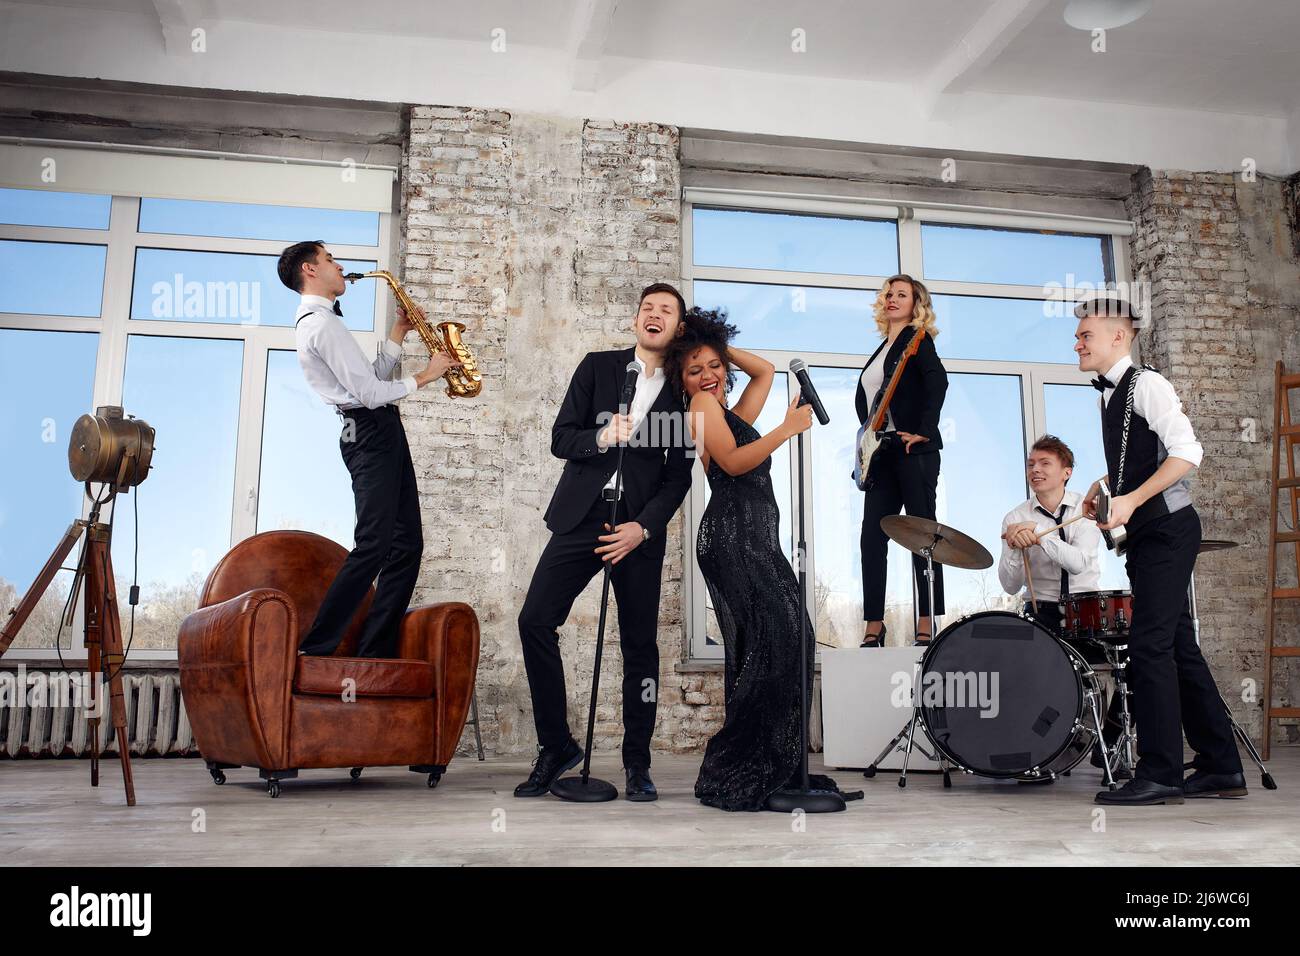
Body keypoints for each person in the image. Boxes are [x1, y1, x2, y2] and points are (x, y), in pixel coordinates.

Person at [669, 307, 853, 811]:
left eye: (713, 366)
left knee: (782, 644)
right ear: (682, 382)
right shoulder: (701, 410)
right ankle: (746, 766)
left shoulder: (727, 413)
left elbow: (766, 371)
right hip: (733, 540)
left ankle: (776, 765)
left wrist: (710, 343)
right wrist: (788, 428)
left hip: (753, 541)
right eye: (694, 370)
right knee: (781, 641)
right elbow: (731, 462)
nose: (708, 376)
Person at [514, 283, 694, 802]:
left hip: (636, 529)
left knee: (640, 647)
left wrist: (644, 528)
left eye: (665, 310)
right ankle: (557, 747)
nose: (652, 315)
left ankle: (638, 763)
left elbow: (678, 478)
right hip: (582, 515)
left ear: (677, 327)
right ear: (637, 319)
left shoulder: (683, 394)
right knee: (535, 620)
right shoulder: (598, 367)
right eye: (646, 308)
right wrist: (600, 437)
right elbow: (560, 437)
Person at [1075, 293, 1245, 805]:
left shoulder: (1147, 383)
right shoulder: (1110, 395)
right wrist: (1105, 486)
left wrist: (1129, 500)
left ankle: (1161, 772)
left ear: (1119, 337)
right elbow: (1141, 461)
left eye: (1086, 334)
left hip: (1170, 529)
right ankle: (1221, 765)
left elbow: (1187, 452)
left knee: (1149, 647)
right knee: (1177, 647)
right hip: (1151, 533)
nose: (1077, 341)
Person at [279, 240, 461, 658]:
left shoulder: (326, 323)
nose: (339, 265)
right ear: (310, 270)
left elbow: (369, 380)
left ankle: (374, 650)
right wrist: (427, 375)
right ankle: (316, 647)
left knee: (407, 545)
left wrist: (398, 333)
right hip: (368, 430)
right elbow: (369, 393)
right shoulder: (319, 325)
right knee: (374, 544)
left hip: (380, 427)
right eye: (329, 260)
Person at [998, 434, 1126, 781]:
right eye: (1031, 464)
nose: (1035, 470)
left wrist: (1041, 534)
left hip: (1085, 611)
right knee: (1032, 681)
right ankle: (1039, 757)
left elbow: (1079, 564)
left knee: (1124, 672)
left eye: (1044, 464)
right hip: (1040, 612)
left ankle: (1111, 749)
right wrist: (1014, 545)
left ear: (1066, 472)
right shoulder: (1015, 515)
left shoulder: (1084, 511)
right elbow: (1009, 585)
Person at [857, 275, 949, 648]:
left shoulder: (917, 340)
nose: (892, 299)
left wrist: (925, 429)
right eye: (889, 294)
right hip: (883, 453)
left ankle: (926, 621)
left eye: (902, 295)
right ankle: (874, 625)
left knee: (923, 536)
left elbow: (938, 382)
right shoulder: (883, 348)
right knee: (870, 537)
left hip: (914, 452)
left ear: (916, 304)